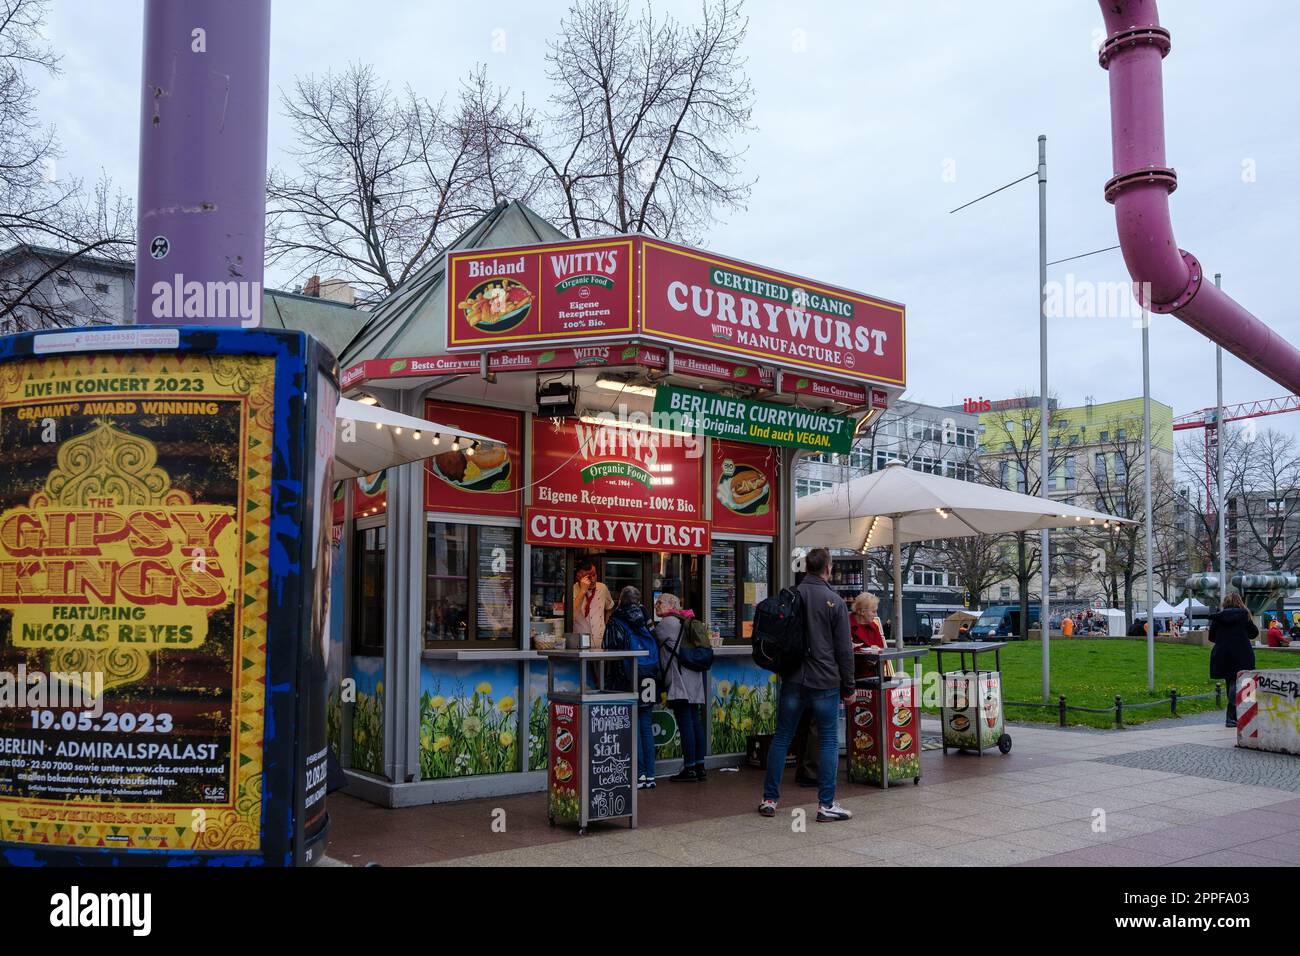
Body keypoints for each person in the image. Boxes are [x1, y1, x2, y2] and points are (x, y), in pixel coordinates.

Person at [758, 548, 855, 823]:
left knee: (782, 737)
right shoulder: (835, 601)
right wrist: (849, 687)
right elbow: (844, 650)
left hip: (793, 677)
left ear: (806, 568)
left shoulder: (792, 595)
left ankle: (769, 799)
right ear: (828, 568)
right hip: (825, 680)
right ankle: (826, 804)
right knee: (828, 740)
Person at [607, 586, 658, 788]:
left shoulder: (616, 618)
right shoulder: (646, 617)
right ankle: (650, 775)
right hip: (649, 674)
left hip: (627, 676)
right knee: (645, 724)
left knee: (631, 724)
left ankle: (638, 774)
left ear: (620, 600)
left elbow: (610, 650)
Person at [654, 593, 707, 783]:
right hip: (693, 678)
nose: (656, 605)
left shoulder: (667, 623)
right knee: (694, 721)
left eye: (660, 602)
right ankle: (700, 767)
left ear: (672, 606)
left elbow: (651, 639)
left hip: (679, 681)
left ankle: (689, 768)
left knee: (685, 724)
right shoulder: (685, 621)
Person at [1209, 592, 1258, 728]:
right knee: (1239, 683)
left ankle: (1233, 715)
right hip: (1242, 653)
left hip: (1223, 653)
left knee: (1230, 681)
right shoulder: (1244, 615)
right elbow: (1254, 633)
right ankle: (1232, 716)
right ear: (1239, 602)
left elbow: (1211, 637)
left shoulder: (1218, 617)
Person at [572, 559, 614, 649]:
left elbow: (609, 607)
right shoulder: (572, 591)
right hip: (580, 642)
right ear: (579, 576)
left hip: (601, 641)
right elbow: (572, 615)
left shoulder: (602, 588)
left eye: (594, 575)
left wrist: (606, 627)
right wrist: (582, 591)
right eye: (588, 577)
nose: (593, 580)